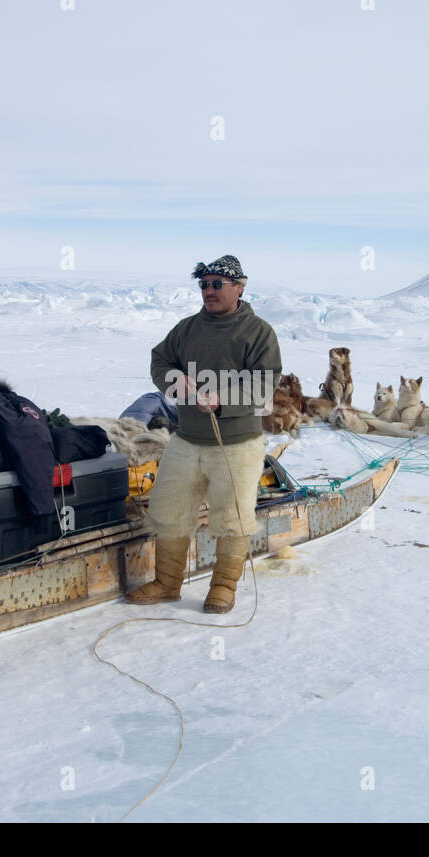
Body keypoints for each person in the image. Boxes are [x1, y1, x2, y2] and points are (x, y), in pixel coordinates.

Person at [126, 255, 281, 613]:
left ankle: (223, 587)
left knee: (233, 516)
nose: (208, 291)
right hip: (187, 439)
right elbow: (160, 360)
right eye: (204, 284)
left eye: (217, 285)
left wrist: (222, 400)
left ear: (239, 288)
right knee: (169, 510)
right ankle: (167, 583)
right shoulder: (187, 329)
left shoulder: (258, 332)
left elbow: (264, 383)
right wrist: (173, 380)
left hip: (237, 445)